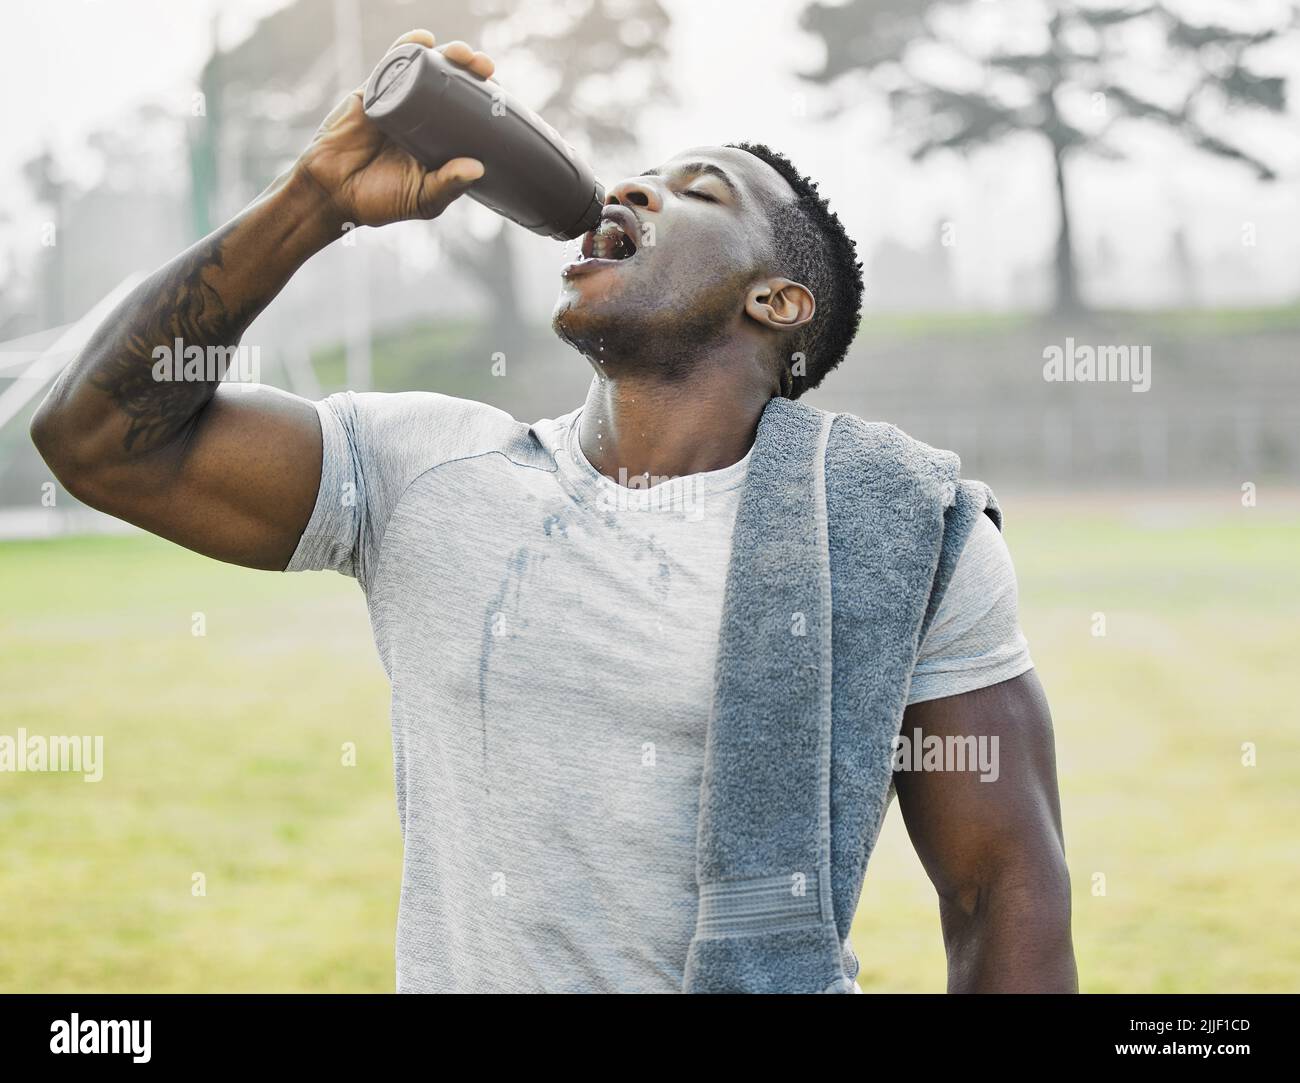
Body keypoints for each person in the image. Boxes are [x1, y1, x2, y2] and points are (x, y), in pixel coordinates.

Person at [31, 29, 1076, 994]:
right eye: (639, 178)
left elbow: (1003, 892)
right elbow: (95, 440)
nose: (628, 188)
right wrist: (314, 201)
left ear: (776, 301)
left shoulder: (898, 533)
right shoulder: (419, 468)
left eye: (696, 192)